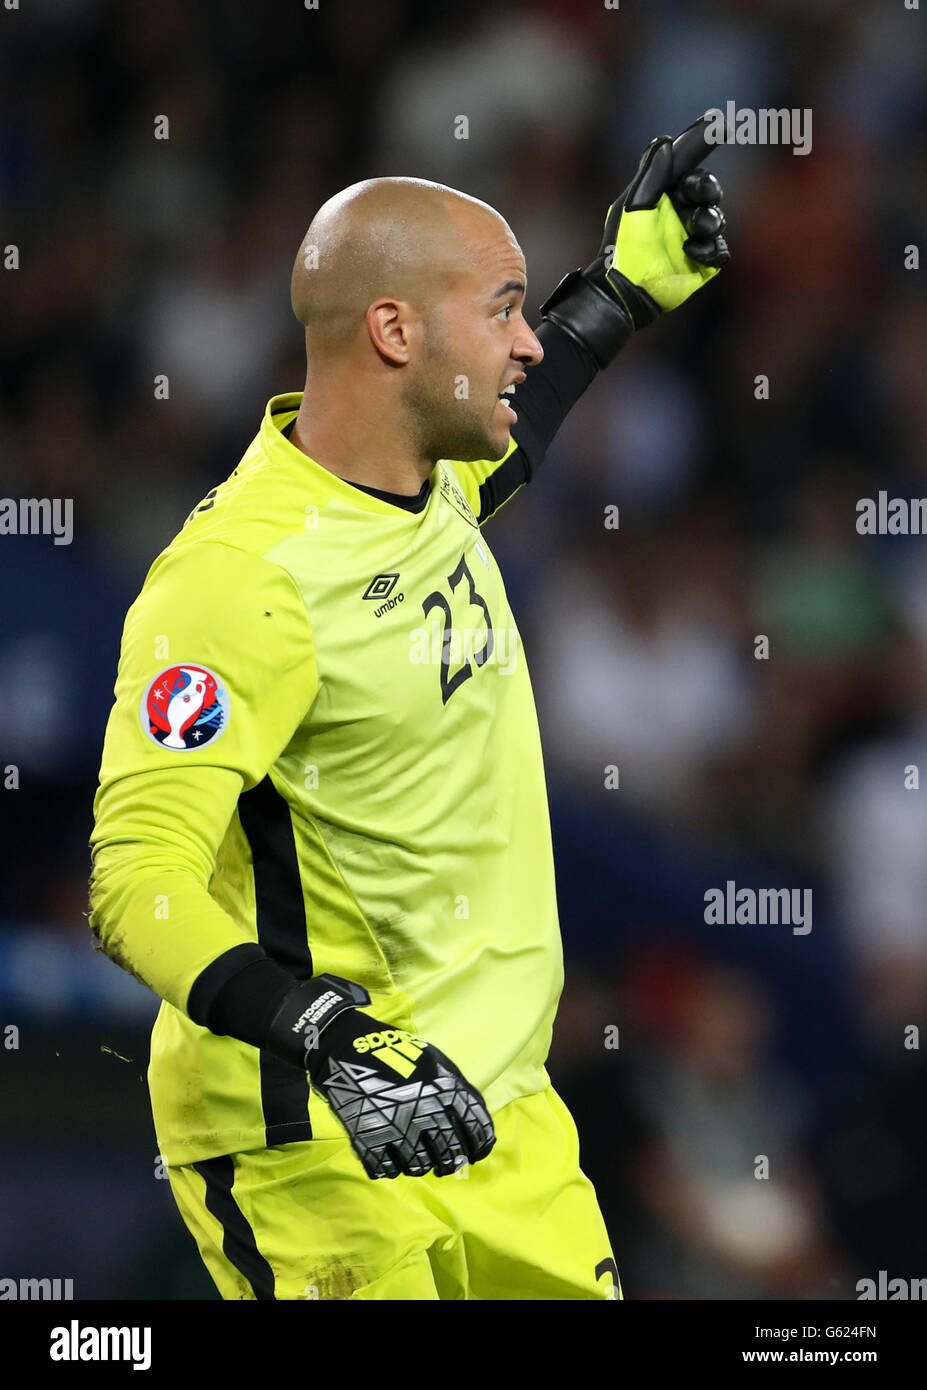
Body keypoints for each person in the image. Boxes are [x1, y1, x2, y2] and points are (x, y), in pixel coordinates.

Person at [88, 117, 730, 1301]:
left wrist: (628, 288)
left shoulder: (422, 490)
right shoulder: (241, 579)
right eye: (503, 309)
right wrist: (325, 1034)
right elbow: (136, 877)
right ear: (394, 330)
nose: (530, 341)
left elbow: (516, 441)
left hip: (502, 1114)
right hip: (321, 1136)